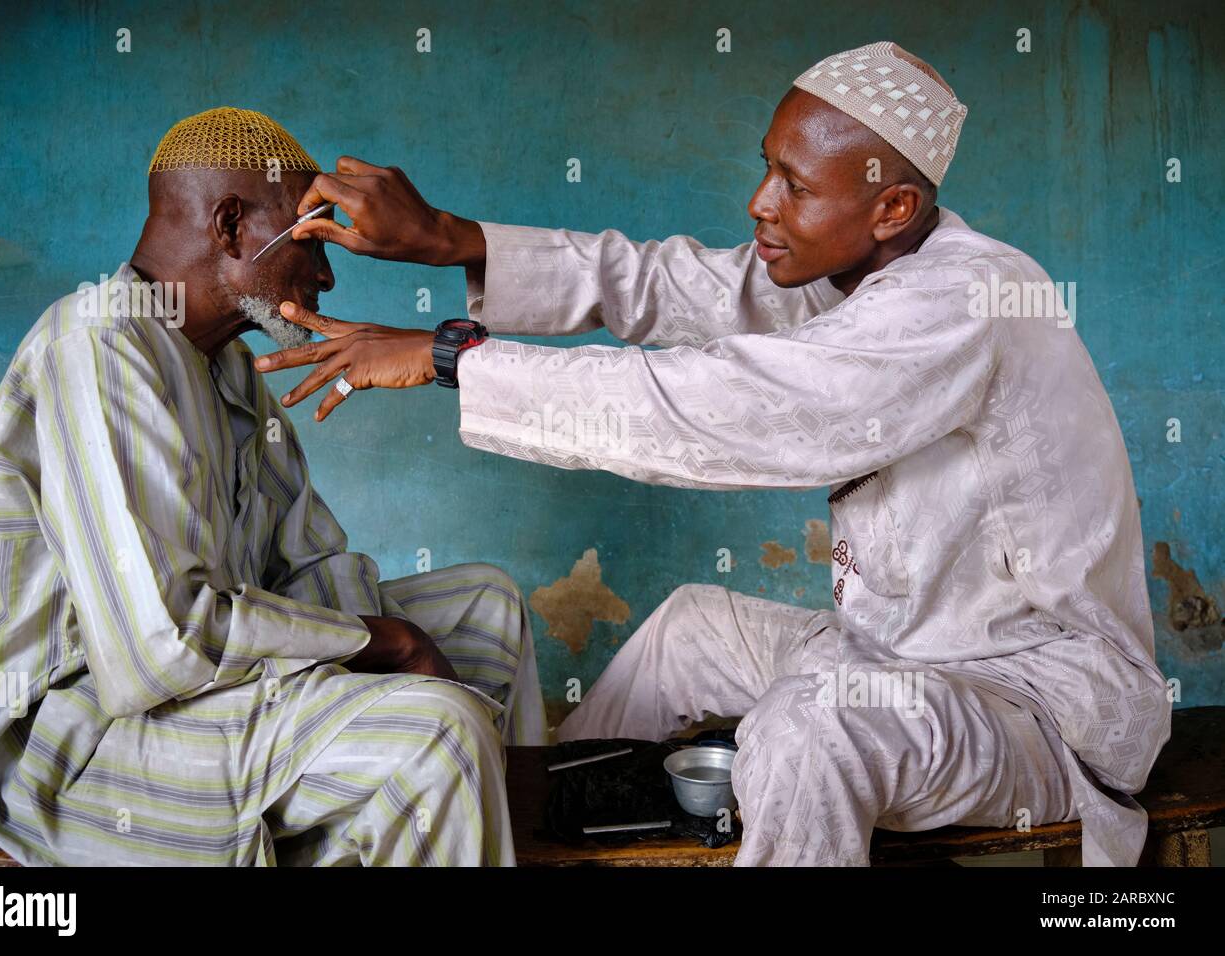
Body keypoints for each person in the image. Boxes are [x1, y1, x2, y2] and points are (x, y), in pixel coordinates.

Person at [252, 42, 1171, 866]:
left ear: (891, 204)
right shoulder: (856, 269)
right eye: (766, 169)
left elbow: (731, 409)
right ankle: (532, 843)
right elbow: (656, 280)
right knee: (687, 632)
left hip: (1033, 707)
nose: (760, 204)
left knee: (811, 730)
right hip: (893, 658)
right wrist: (452, 238)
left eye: (796, 187)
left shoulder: (968, 297)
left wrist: (451, 357)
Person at [0, 107, 545, 867]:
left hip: (193, 689)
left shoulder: (224, 366)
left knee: (489, 606)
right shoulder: (96, 348)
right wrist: (388, 644)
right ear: (230, 226)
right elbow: (161, 648)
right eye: (313, 241)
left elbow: (311, 565)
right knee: (436, 733)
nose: (325, 275)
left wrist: (388, 647)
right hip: (80, 739)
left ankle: (502, 843)